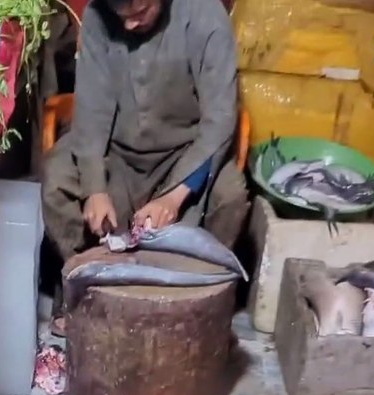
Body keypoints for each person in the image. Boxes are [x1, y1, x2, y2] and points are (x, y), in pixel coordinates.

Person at [41, 0, 247, 335]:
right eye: (121, 17)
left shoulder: (205, 15)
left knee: (231, 196)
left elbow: (221, 118)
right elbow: (91, 110)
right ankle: (87, 293)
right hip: (118, 155)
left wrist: (173, 196)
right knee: (56, 178)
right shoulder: (98, 17)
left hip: (185, 156)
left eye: (140, 13)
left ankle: (189, 307)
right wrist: (95, 188)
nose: (129, 27)